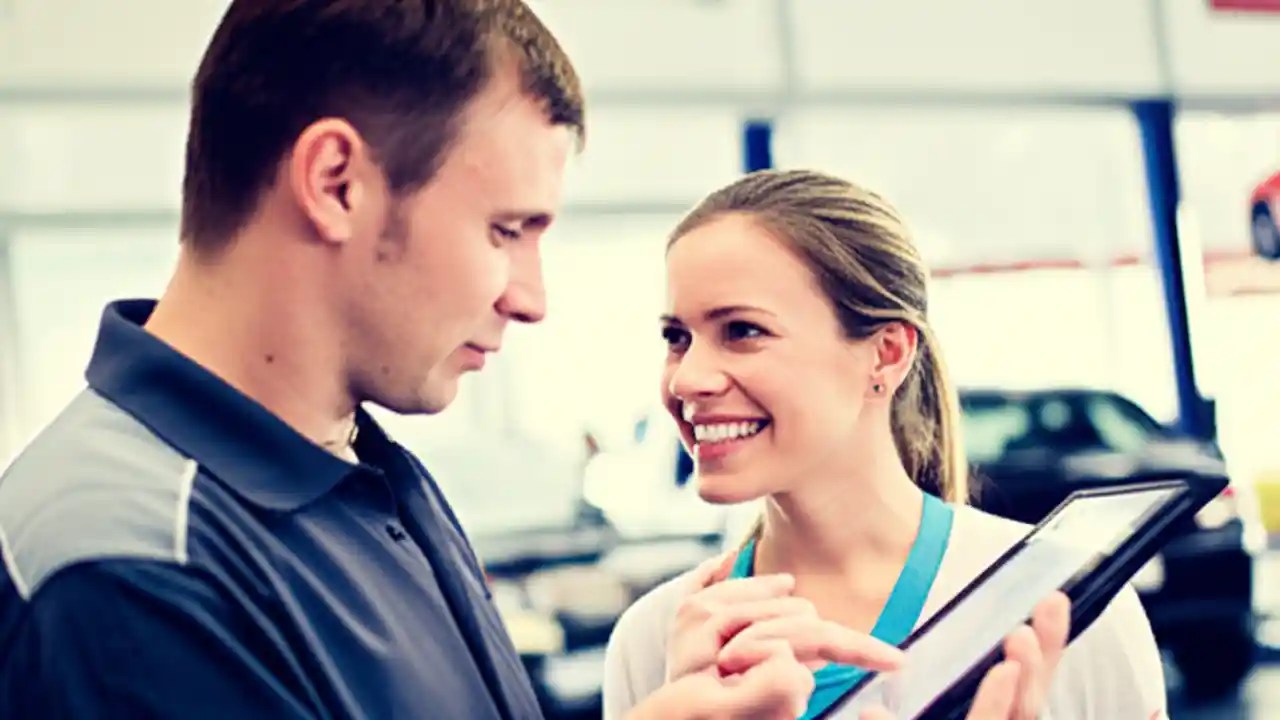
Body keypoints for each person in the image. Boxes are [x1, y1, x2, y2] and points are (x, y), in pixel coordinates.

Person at [0, 2, 891, 719]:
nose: (530, 297)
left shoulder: (357, 469)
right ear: (336, 183)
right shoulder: (132, 572)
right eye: (507, 230)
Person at [602, 169, 1169, 719]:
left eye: (743, 331)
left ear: (887, 353)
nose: (687, 378)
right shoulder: (657, 641)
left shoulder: (1060, 612)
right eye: (678, 338)